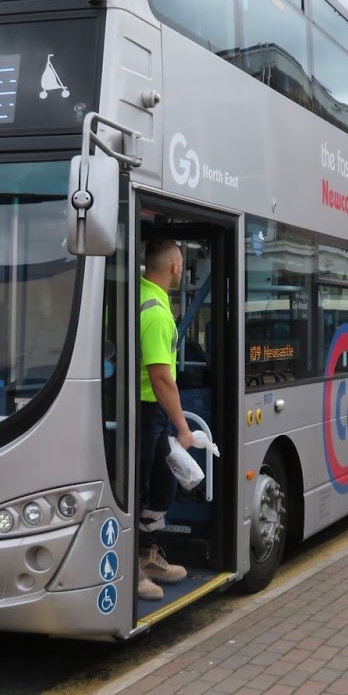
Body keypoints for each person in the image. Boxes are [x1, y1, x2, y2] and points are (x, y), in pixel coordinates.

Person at [137, 237, 192, 602]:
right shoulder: (156, 312)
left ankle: (146, 556)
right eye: (182, 262)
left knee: (159, 487)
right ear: (174, 267)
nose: (183, 268)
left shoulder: (137, 296)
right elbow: (161, 379)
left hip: (139, 410)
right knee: (147, 489)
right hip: (147, 412)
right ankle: (135, 566)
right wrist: (183, 427)